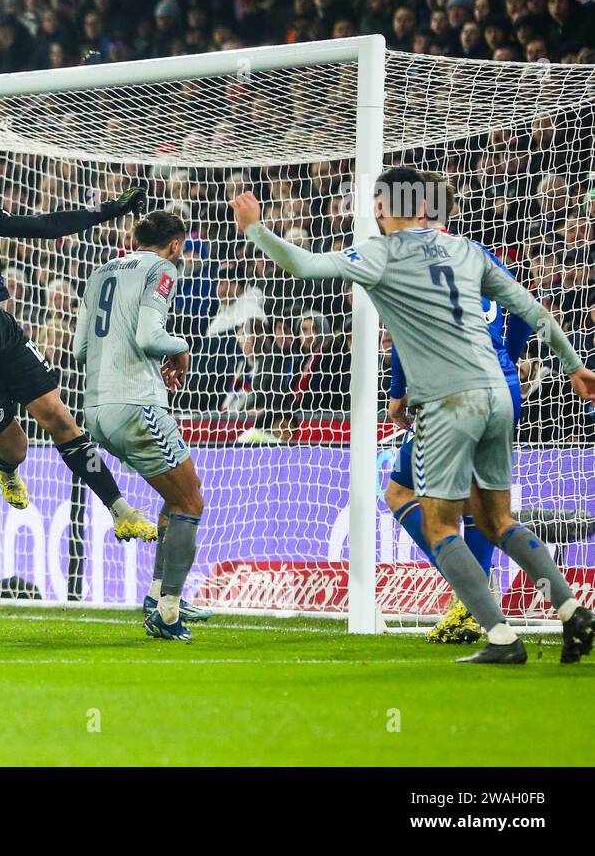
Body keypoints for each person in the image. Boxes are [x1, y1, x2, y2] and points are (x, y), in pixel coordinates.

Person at [232, 170, 595, 664]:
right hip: (500, 395)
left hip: (449, 403)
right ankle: (571, 606)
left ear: (382, 208)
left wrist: (255, 228)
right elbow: (535, 311)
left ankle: (501, 638)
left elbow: (300, 265)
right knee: (498, 519)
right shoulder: (468, 250)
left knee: (441, 525)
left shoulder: (378, 253)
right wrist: (575, 366)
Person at [0, 145, 159, 549]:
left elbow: (45, 225)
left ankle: (121, 510)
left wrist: (109, 211)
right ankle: (4, 465)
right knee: (15, 444)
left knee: (59, 418)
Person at [385, 171, 532, 644]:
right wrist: (508, 358)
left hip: (449, 393)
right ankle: (486, 603)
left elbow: (409, 333)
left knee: (402, 494)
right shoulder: (476, 255)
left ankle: (471, 599)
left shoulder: (414, 259)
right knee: (478, 507)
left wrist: (396, 392)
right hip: (500, 388)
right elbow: (524, 314)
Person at [74, 211, 208, 640]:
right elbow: (152, 337)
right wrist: (182, 347)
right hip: (137, 404)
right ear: (175, 245)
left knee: (176, 493)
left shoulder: (100, 273)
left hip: (96, 410)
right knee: (190, 502)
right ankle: (168, 611)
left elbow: (79, 349)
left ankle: (157, 593)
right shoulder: (163, 268)